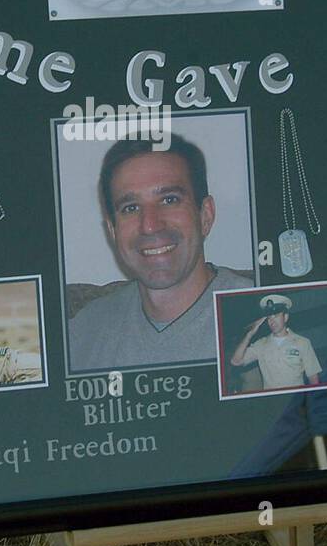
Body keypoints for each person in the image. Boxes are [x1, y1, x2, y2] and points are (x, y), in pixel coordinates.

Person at [68, 134, 253, 371]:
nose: (150, 225)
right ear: (113, 231)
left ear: (205, 215)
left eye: (169, 200)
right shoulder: (85, 331)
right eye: (131, 207)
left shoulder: (260, 313)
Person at [229, 294, 322, 392]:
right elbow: (236, 361)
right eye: (269, 318)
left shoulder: (303, 343)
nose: (272, 322)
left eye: (276, 316)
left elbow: (313, 379)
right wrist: (249, 335)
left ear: (285, 317)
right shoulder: (261, 344)